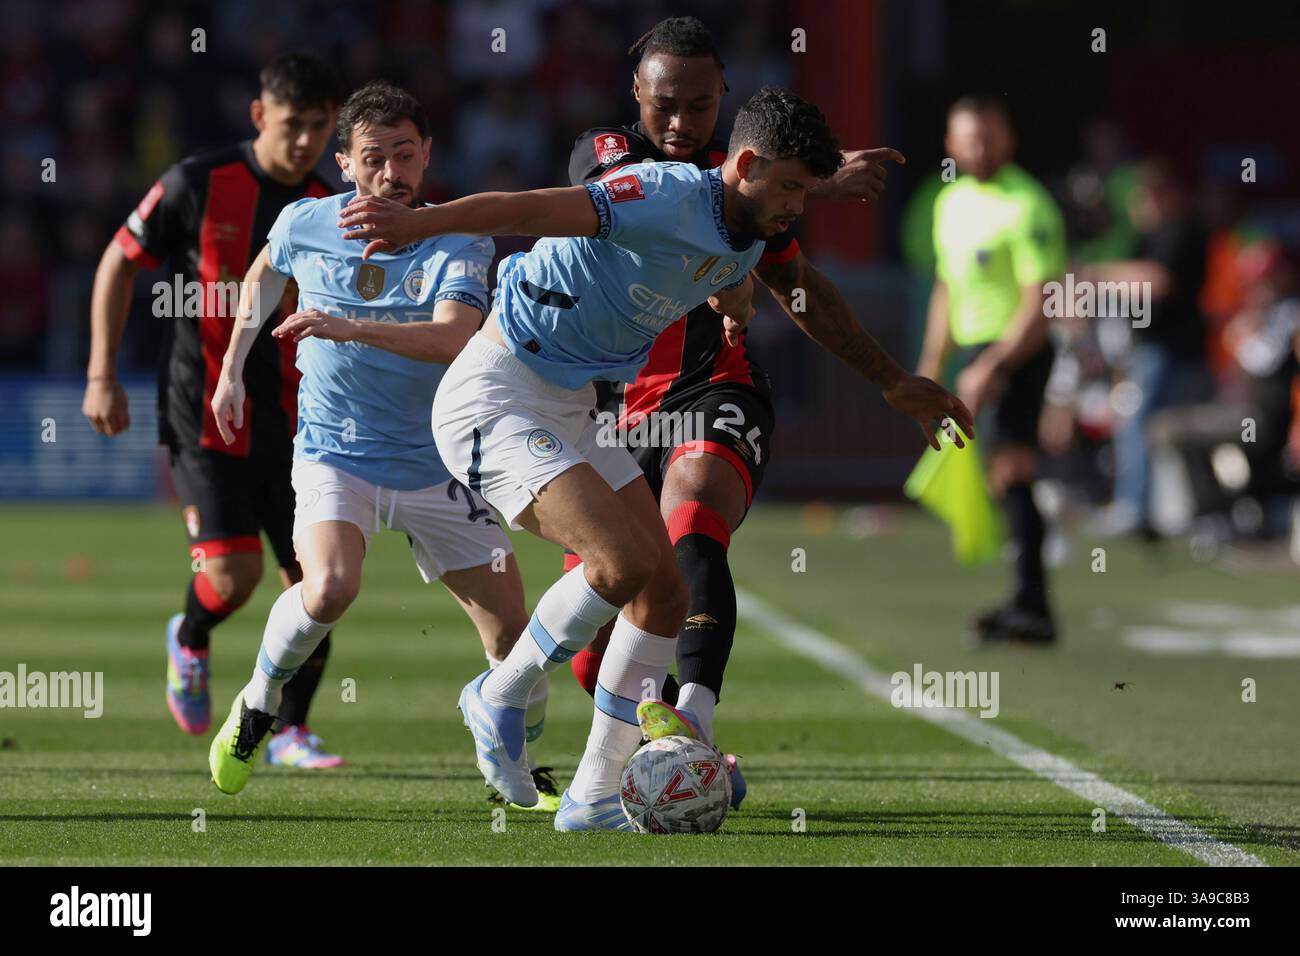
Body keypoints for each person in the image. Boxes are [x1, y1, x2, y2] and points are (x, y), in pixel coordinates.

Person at [339, 86, 967, 830]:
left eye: (808, 187)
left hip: (575, 406)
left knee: (665, 593)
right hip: (495, 394)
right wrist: (421, 221)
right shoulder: (655, 191)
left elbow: (790, 287)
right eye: (793, 186)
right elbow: (530, 210)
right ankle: (498, 694)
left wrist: (890, 379)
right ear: (746, 164)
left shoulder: (752, 223)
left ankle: (593, 796)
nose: (800, 203)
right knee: (618, 565)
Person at [562, 16, 958, 807]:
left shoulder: (743, 187)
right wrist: (809, 176)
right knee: (593, 641)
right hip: (612, 414)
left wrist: (890, 378)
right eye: (664, 104)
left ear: (723, 102)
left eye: (701, 107)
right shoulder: (604, 155)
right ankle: (668, 747)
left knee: (694, 516)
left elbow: (801, 292)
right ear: (635, 95)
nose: (679, 123)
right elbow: (658, 197)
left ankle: (696, 725)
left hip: (715, 388)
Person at [205, 81, 550, 801]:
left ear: (426, 156)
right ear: (345, 166)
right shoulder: (306, 222)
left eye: (405, 154)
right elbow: (265, 272)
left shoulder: (458, 235)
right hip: (337, 453)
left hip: (442, 461)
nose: (392, 171)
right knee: (328, 587)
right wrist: (233, 368)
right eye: (374, 157)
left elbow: (454, 336)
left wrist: (347, 324)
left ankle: (513, 763)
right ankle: (259, 704)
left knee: (517, 644)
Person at [81, 53, 348, 765]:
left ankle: (291, 729)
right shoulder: (196, 183)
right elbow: (117, 261)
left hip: (302, 426)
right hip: (203, 412)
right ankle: (192, 637)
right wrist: (101, 372)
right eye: (293, 125)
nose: (305, 142)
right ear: (260, 116)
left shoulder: (332, 204)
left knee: (318, 583)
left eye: (320, 128)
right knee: (233, 580)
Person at [918, 95, 1066, 646]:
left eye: (989, 136)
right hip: (977, 354)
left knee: (1014, 470)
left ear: (1009, 139)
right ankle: (1027, 600)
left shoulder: (1028, 205)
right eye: (968, 138)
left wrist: (994, 365)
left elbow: (1040, 302)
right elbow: (947, 289)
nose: (978, 148)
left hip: (1016, 353)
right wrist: (930, 369)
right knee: (1001, 477)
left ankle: (1034, 606)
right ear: (952, 145)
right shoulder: (950, 202)